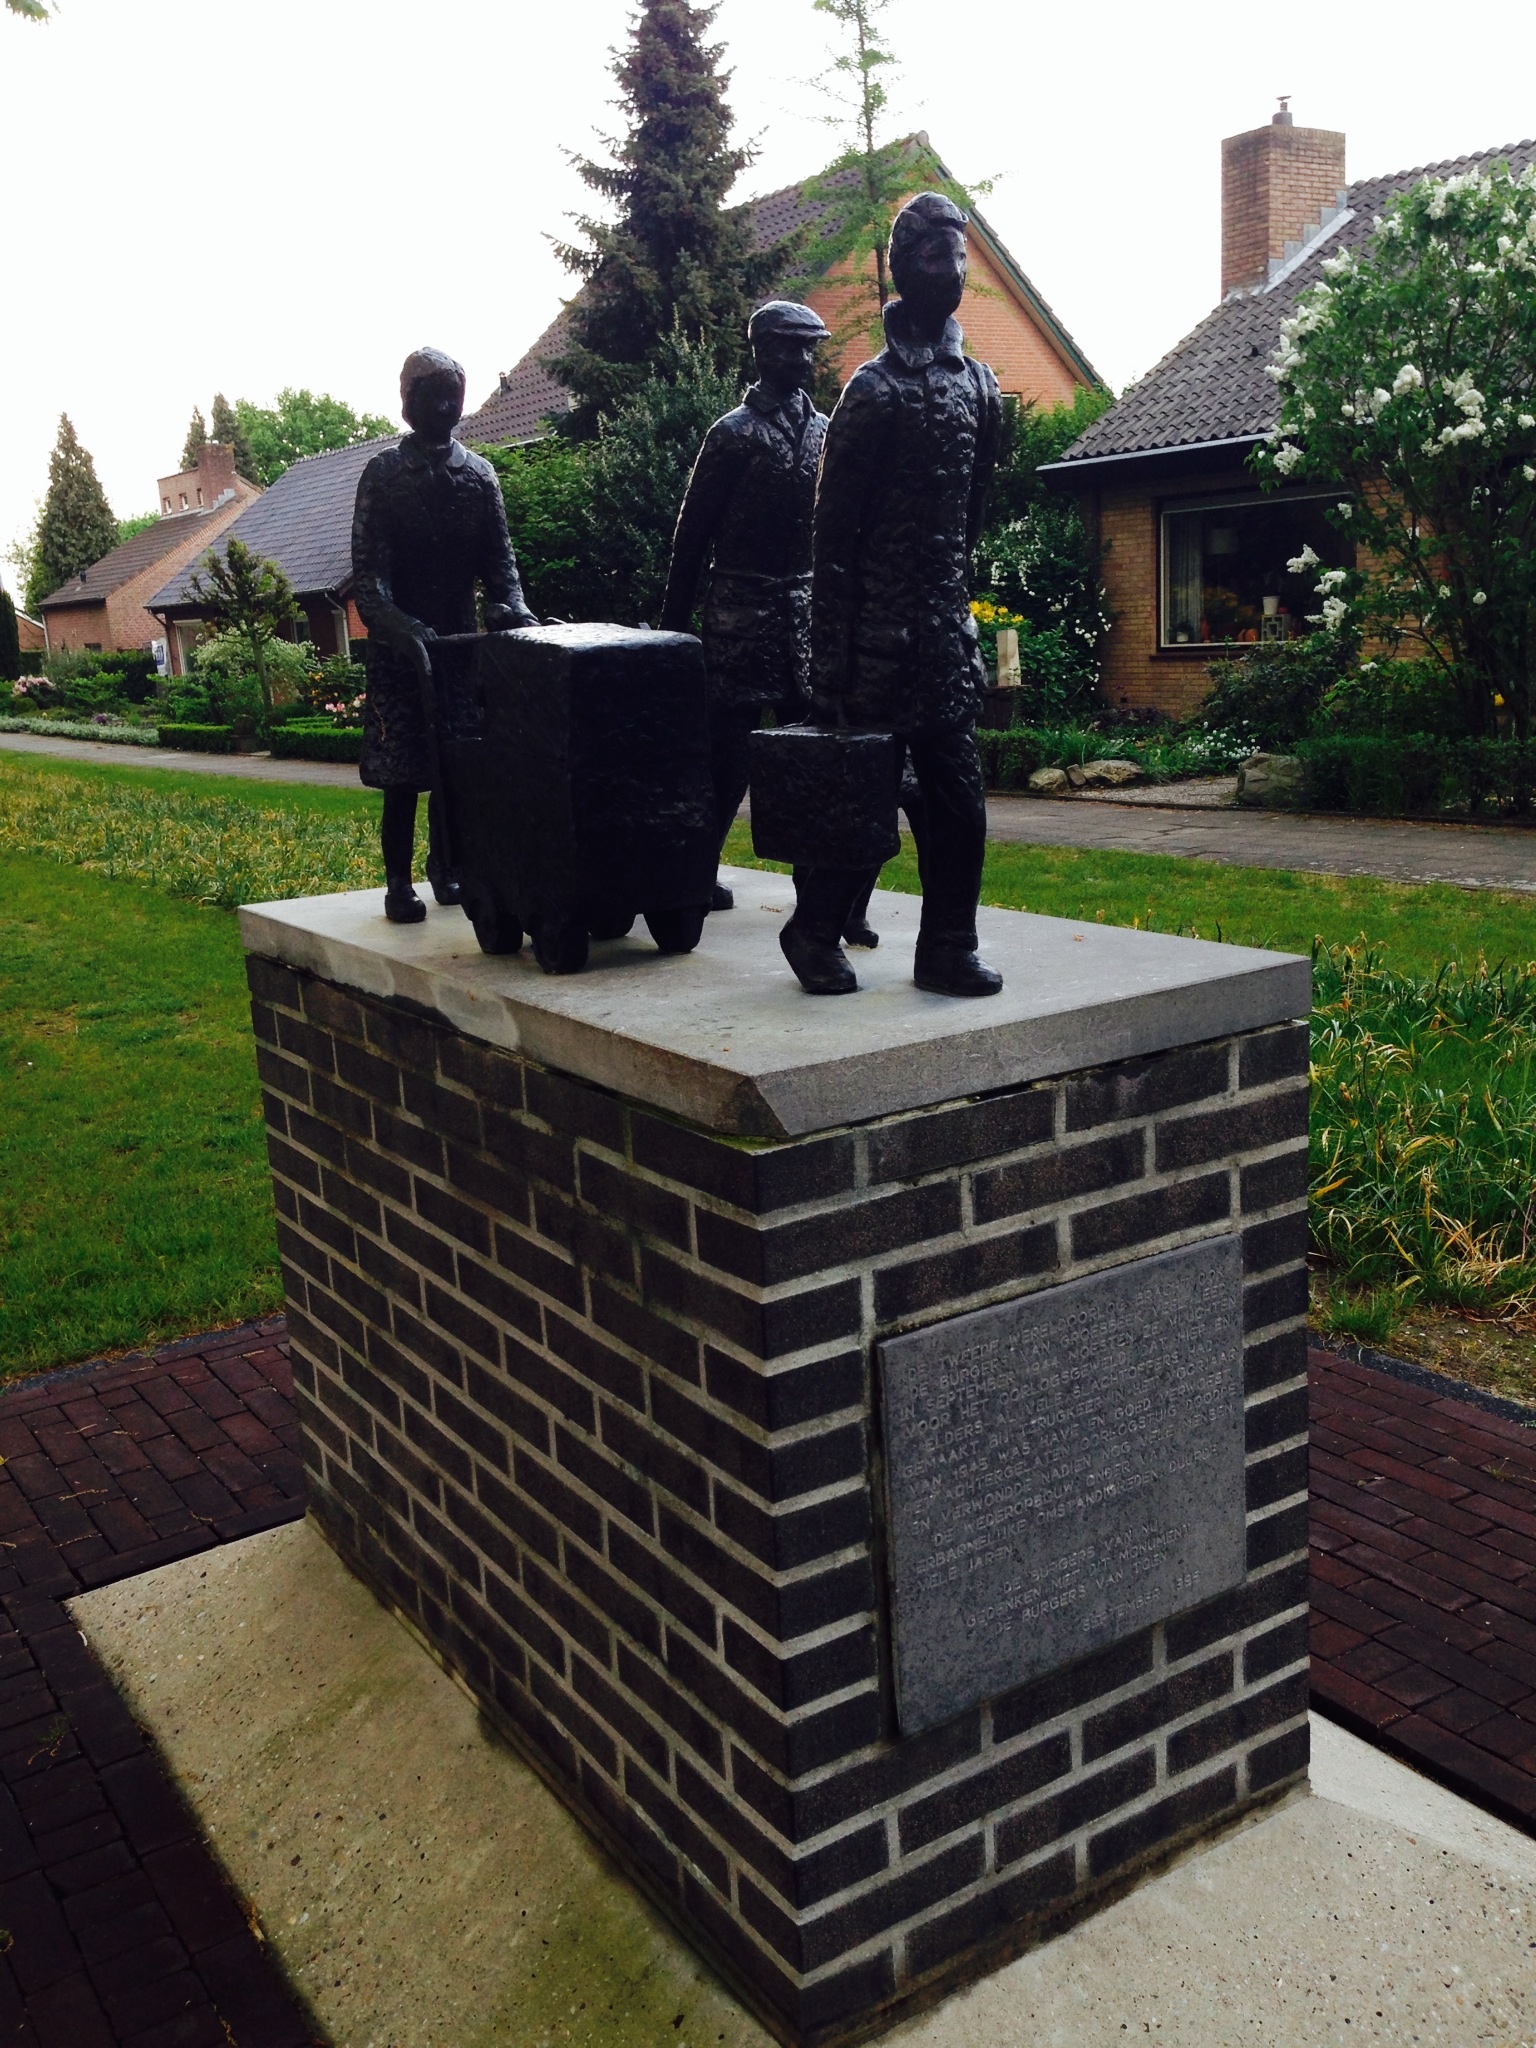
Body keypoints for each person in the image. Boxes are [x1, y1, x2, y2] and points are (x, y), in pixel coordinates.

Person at [781, 193, 1004, 998]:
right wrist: (831, 665)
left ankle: (947, 946)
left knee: (960, 808)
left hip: (940, 641)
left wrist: (964, 625)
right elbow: (831, 544)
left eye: (960, 256)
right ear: (902, 271)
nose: (953, 270)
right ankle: (812, 929)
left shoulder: (980, 387)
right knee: (858, 809)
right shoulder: (871, 394)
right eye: (937, 255)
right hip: (873, 647)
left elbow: (967, 527)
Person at [352, 346, 537, 924]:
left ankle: (449, 866)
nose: (442, 406)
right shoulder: (383, 476)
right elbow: (369, 579)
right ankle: (396, 882)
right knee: (404, 773)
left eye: (451, 395)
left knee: (457, 765)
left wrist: (513, 611)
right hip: (400, 652)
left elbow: (501, 566)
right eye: (429, 395)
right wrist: (402, 627)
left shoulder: (479, 476)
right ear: (407, 403)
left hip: (457, 647)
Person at [659, 301, 831, 911]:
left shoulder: (822, 430)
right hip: (739, 613)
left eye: (810, 348)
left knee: (806, 755)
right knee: (726, 758)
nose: (804, 359)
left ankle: (813, 888)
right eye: (791, 347)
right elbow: (691, 537)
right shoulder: (731, 434)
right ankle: (695, 873)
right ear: (760, 351)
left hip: (802, 616)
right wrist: (671, 636)